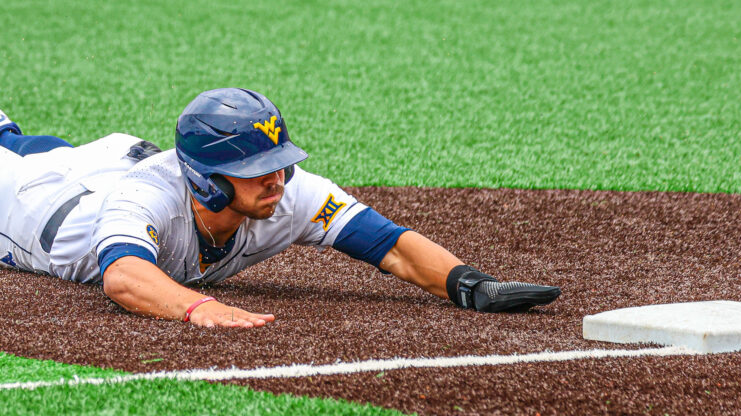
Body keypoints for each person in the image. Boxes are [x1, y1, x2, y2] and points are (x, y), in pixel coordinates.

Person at [0, 89, 561, 328]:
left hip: (112, 161)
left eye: (279, 161)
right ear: (206, 178)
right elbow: (123, 276)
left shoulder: (284, 192)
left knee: (50, 148)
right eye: (255, 168)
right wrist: (198, 308)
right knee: (21, 161)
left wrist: (469, 284)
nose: (276, 179)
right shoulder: (146, 201)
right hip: (39, 210)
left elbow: (390, 245)